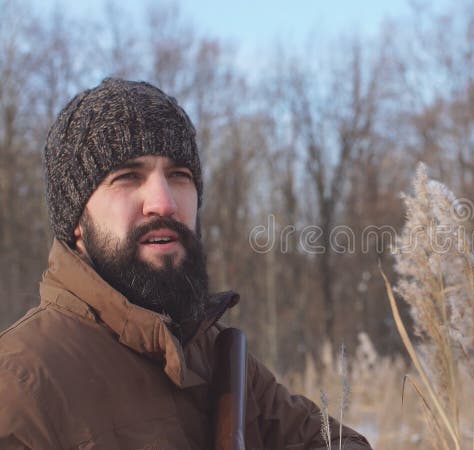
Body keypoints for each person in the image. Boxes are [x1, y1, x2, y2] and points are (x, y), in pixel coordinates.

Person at [0, 78, 372, 449]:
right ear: (76, 220)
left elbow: (339, 442)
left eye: (179, 176)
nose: (164, 202)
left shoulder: (213, 353)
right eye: (128, 177)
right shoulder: (19, 384)